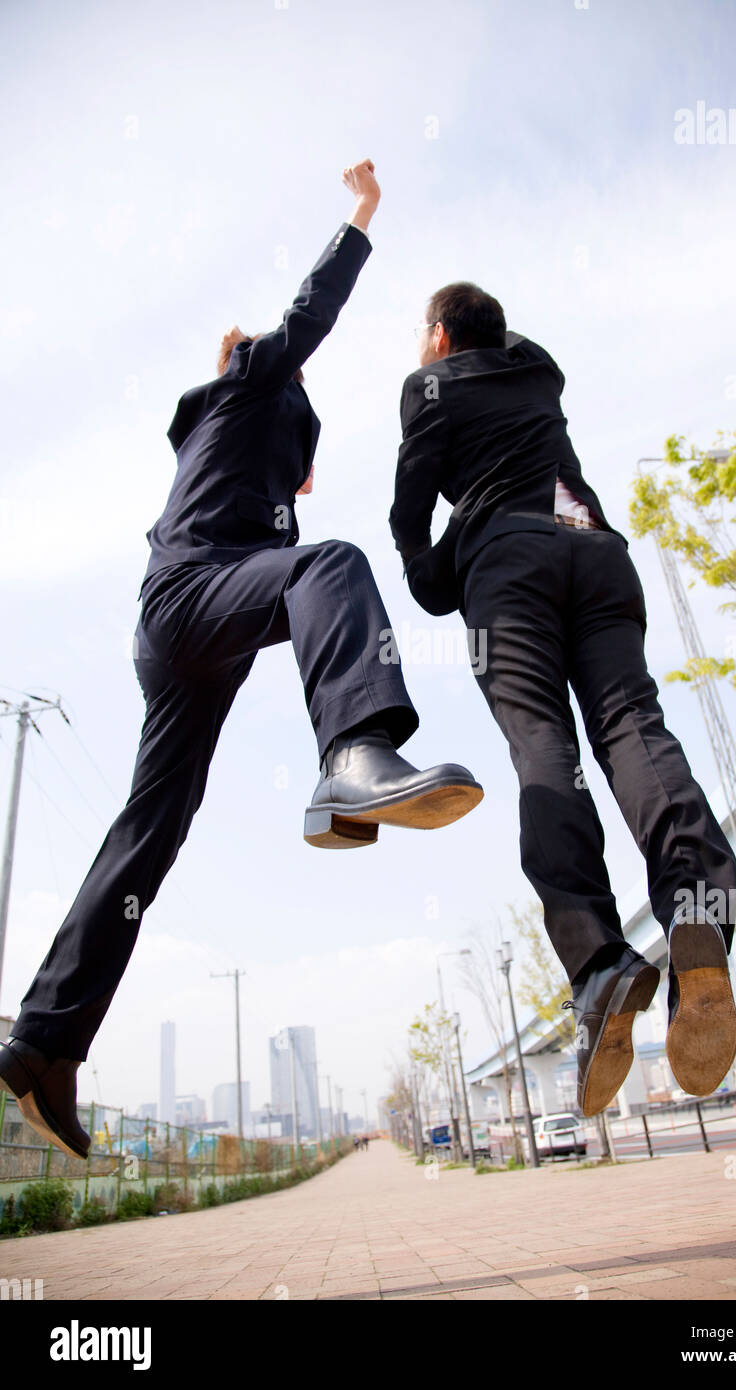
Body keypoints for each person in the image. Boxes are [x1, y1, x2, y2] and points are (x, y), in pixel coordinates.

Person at [0, 164, 483, 1161]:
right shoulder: (252, 375)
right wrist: (362, 214)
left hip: (187, 638)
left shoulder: (231, 443)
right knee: (331, 561)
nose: (302, 467)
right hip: (193, 597)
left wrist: (286, 462)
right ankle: (351, 761)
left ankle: (42, 1041)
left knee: (150, 831)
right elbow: (309, 315)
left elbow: (278, 487)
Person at [389, 282, 736, 1118]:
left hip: (509, 566)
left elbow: (409, 509)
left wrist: (431, 572)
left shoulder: (428, 387)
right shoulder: (540, 370)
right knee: (632, 727)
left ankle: (600, 965)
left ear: (438, 338)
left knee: (544, 747)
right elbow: (517, 357)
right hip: (595, 548)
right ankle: (695, 901)